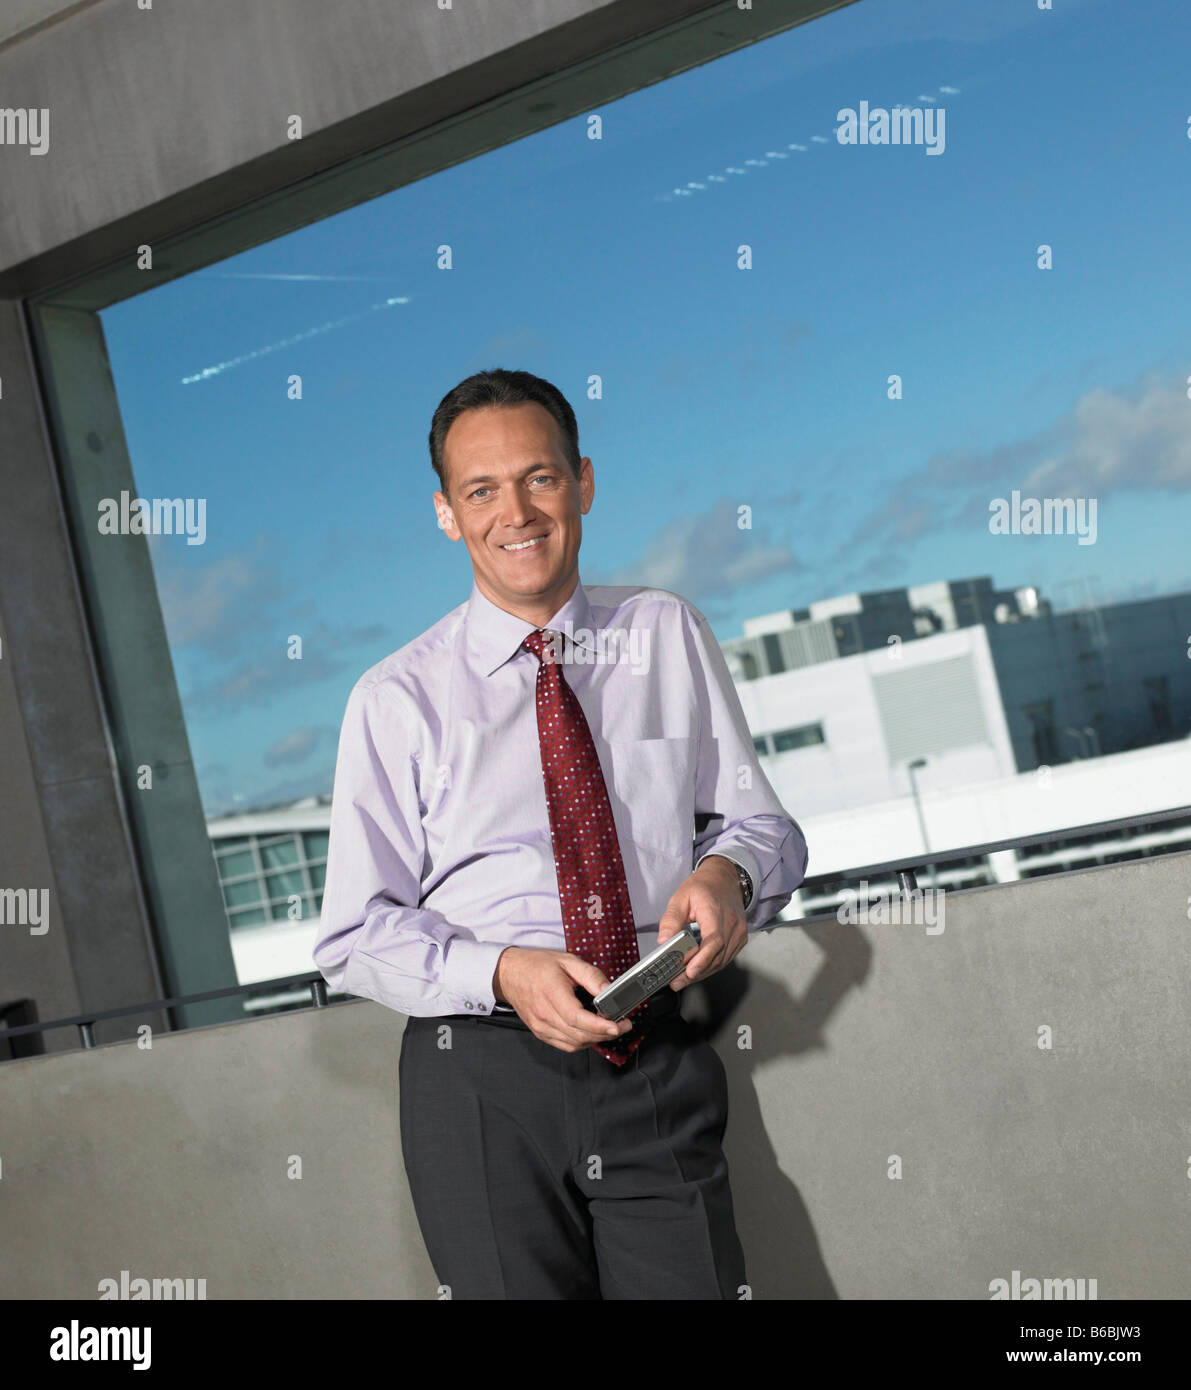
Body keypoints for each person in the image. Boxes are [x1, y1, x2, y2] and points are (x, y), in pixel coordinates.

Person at [313, 367, 808, 1299]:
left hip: (652, 1050)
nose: (517, 512)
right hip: (479, 1079)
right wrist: (500, 971)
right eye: (481, 491)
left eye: (539, 478)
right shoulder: (393, 700)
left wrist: (728, 875)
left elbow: (758, 822)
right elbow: (352, 933)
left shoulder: (664, 632)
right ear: (446, 514)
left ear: (582, 481)